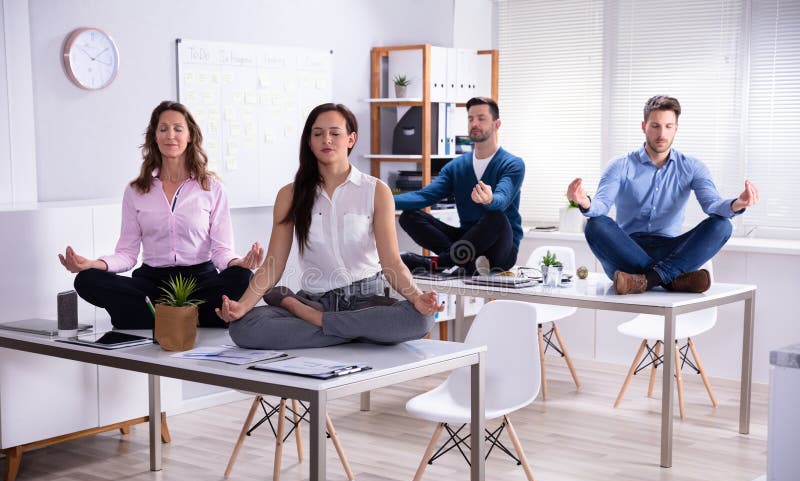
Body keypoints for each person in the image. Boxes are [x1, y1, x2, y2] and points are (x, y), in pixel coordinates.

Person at [216, 103, 440, 350]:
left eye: (335, 133)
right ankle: (357, 332)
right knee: (243, 328)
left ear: (351, 139)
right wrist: (242, 306)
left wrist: (417, 298)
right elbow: (273, 264)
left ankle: (312, 318)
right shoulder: (289, 195)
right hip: (316, 300)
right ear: (309, 141)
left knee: (422, 320)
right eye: (318, 133)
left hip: (366, 302)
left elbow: (392, 263)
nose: (327, 140)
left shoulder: (376, 191)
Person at [59, 101, 264, 328]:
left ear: (190, 136)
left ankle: (156, 317)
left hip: (200, 282)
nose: (170, 135)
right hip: (153, 284)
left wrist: (240, 262)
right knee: (87, 279)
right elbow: (126, 254)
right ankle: (189, 317)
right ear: (155, 136)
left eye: (178, 129)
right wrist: (93, 263)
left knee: (242, 277)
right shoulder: (136, 190)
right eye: (163, 129)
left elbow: (221, 251)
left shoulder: (212, 188)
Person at [566, 95, 760, 295]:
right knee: (595, 224)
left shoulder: (692, 167)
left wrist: (737, 204)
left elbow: (712, 204)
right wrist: (585, 202)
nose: (662, 134)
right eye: (655, 126)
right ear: (644, 126)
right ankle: (672, 279)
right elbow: (601, 205)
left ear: (676, 128)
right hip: (626, 251)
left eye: (668, 126)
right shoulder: (620, 165)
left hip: (670, 251)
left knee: (722, 225)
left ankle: (645, 280)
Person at [394, 97, 525, 274]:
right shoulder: (456, 167)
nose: (474, 123)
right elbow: (424, 196)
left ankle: (441, 263)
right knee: (409, 216)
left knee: (496, 216)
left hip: (499, 250)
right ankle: (465, 264)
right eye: (471, 119)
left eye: (481, 118)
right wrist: (382, 199)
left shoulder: (513, 164)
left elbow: (502, 198)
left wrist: (490, 199)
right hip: (467, 242)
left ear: (497, 124)